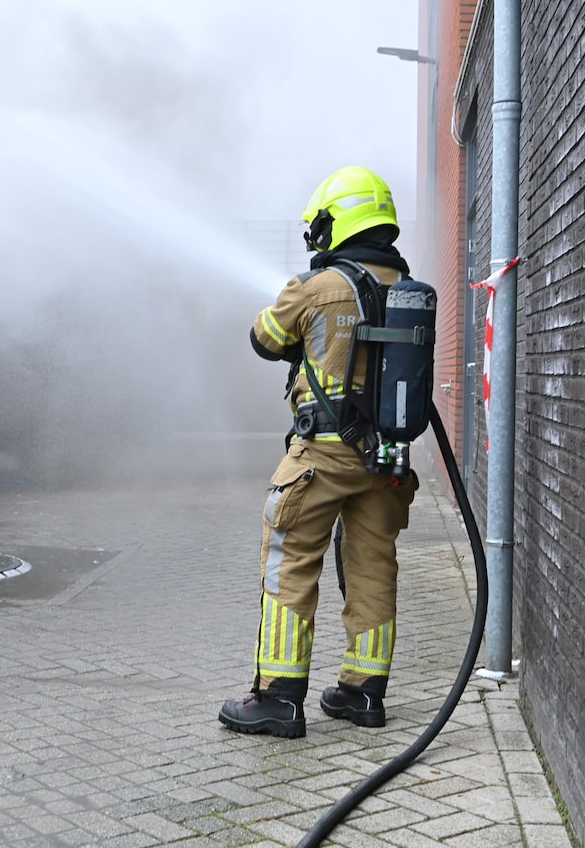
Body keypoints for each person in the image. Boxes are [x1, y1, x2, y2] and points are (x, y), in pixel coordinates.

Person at [219, 165, 420, 739]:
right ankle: (362, 695)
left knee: (289, 562)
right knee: (374, 569)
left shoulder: (316, 287)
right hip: (385, 462)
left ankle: (278, 700)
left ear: (338, 222)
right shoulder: (404, 290)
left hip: (320, 460)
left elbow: (265, 339)